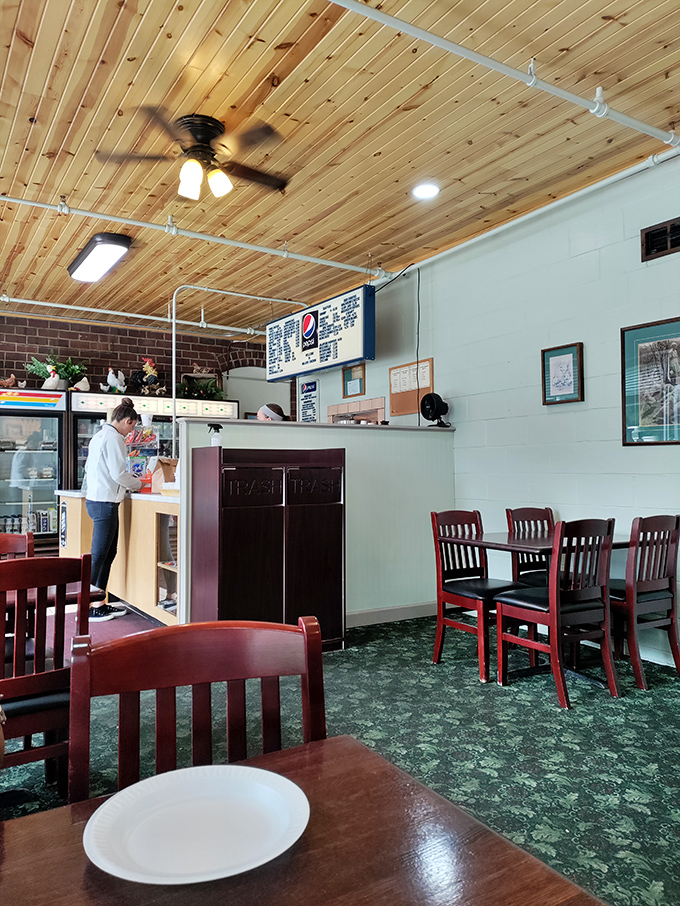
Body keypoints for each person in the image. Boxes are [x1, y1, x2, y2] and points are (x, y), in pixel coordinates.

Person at [83, 397, 142, 621]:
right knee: (99, 556)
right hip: (105, 503)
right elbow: (118, 473)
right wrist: (139, 484)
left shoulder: (99, 436)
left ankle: (99, 602)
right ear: (127, 421)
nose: (131, 432)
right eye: (132, 427)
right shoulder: (115, 438)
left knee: (107, 554)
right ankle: (90, 607)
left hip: (97, 500)